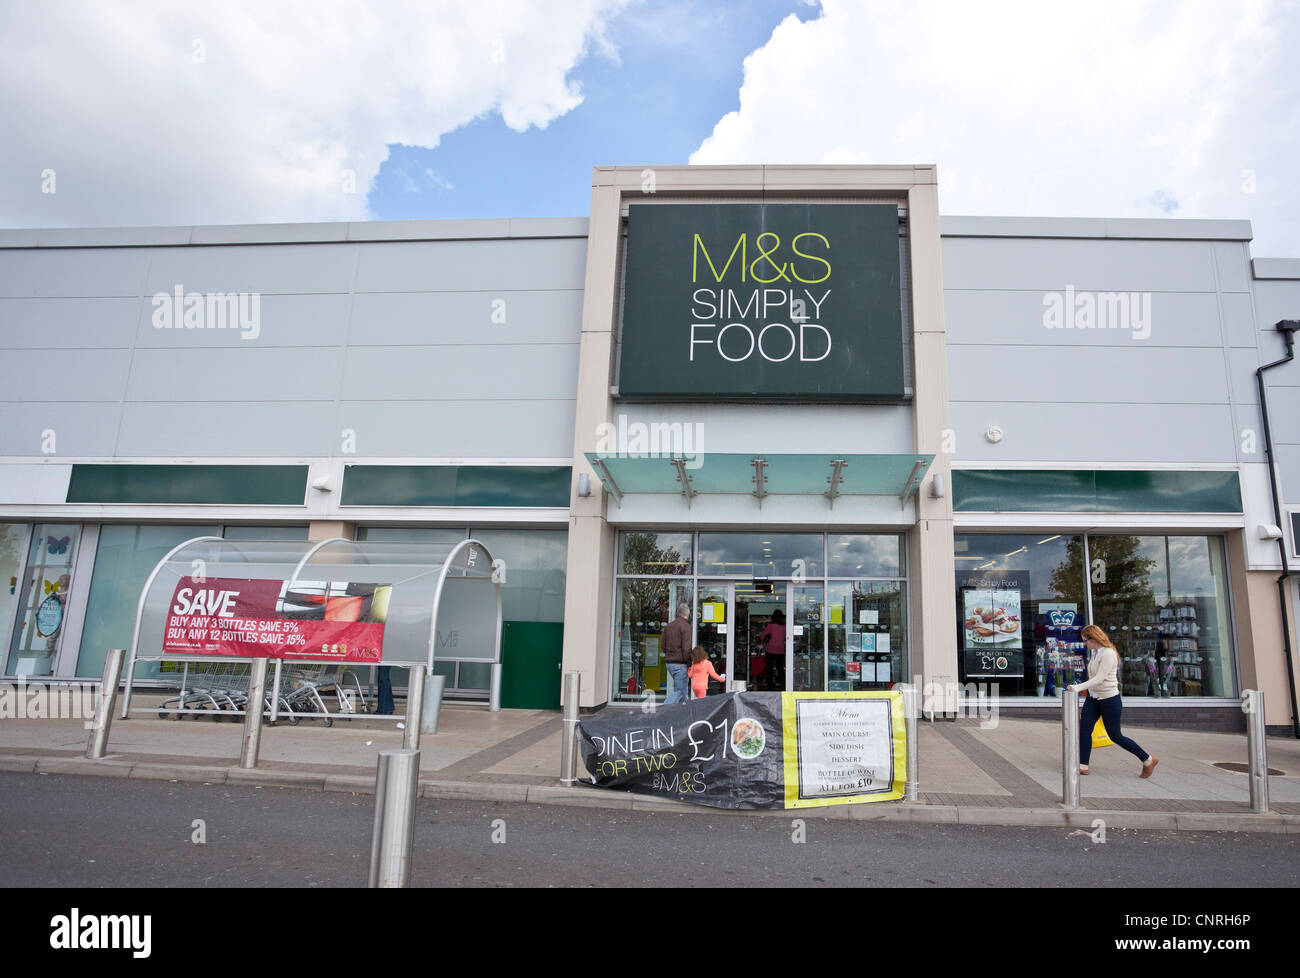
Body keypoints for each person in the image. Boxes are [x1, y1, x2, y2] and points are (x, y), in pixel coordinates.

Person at [1067, 624, 1157, 778]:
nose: (1085, 644)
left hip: (1109, 699)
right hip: (1093, 699)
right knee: (1085, 729)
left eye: (1086, 640)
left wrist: (1077, 687)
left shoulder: (1108, 653)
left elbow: (1100, 678)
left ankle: (1147, 759)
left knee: (1115, 735)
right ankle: (1083, 765)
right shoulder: (1095, 653)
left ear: (1094, 638)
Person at [662, 602, 693, 705]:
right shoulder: (686, 626)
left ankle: (682, 714)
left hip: (669, 663)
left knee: (681, 692)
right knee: (680, 692)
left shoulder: (669, 626)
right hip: (680, 663)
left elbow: (663, 646)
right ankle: (663, 709)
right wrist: (689, 664)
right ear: (687, 614)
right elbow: (686, 648)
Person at [758, 608, 786, 690]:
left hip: (770, 650)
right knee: (780, 669)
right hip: (780, 651)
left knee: (770, 669)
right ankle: (783, 685)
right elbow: (786, 638)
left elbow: (762, 636)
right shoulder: (784, 627)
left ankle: (770, 686)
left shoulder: (770, 626)